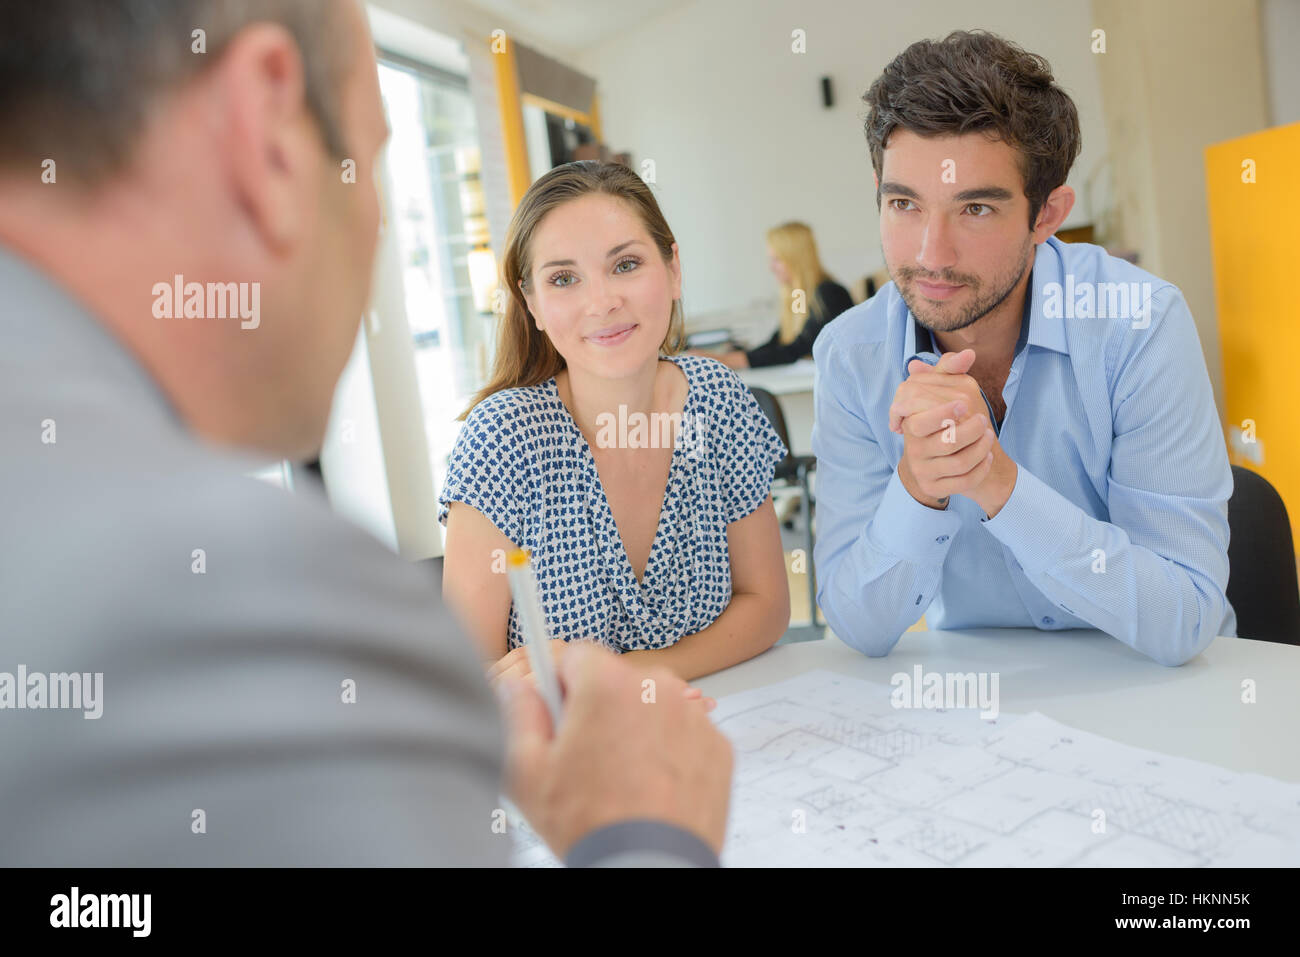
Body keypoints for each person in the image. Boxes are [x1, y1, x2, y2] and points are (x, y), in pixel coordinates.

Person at [0, 0, 731, 867]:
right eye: (375, 160)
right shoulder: (235, 590)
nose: (380, 225)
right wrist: (647, 836)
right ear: (266, 131)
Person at [811, 30, 1235, 667]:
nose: (931, 254)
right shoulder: (850, 355)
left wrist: (999, 486)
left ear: (1048, 214)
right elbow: (858, 628)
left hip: (1151, 688)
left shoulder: (1139, 324)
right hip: (984, 704)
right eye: (903, 204)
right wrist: (917, 490)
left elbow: (1186, 617)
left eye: (975, 208)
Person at [440, 161, 791, 684]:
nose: (602, 301)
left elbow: (766, 606)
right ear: (531, 303)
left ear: (673, 270)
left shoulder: (718, 401)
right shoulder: (503, 440)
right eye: (563, 279)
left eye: (625, 264)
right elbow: (462, 683)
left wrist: (633, 676)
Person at [700, 222, 853, 369]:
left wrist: (728, 360)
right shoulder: (799, 295)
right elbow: (780, 341)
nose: (771, 268)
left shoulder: (828, 294)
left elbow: (796, 349)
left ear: (795, 259)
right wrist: (737, 356)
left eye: (776, 260)